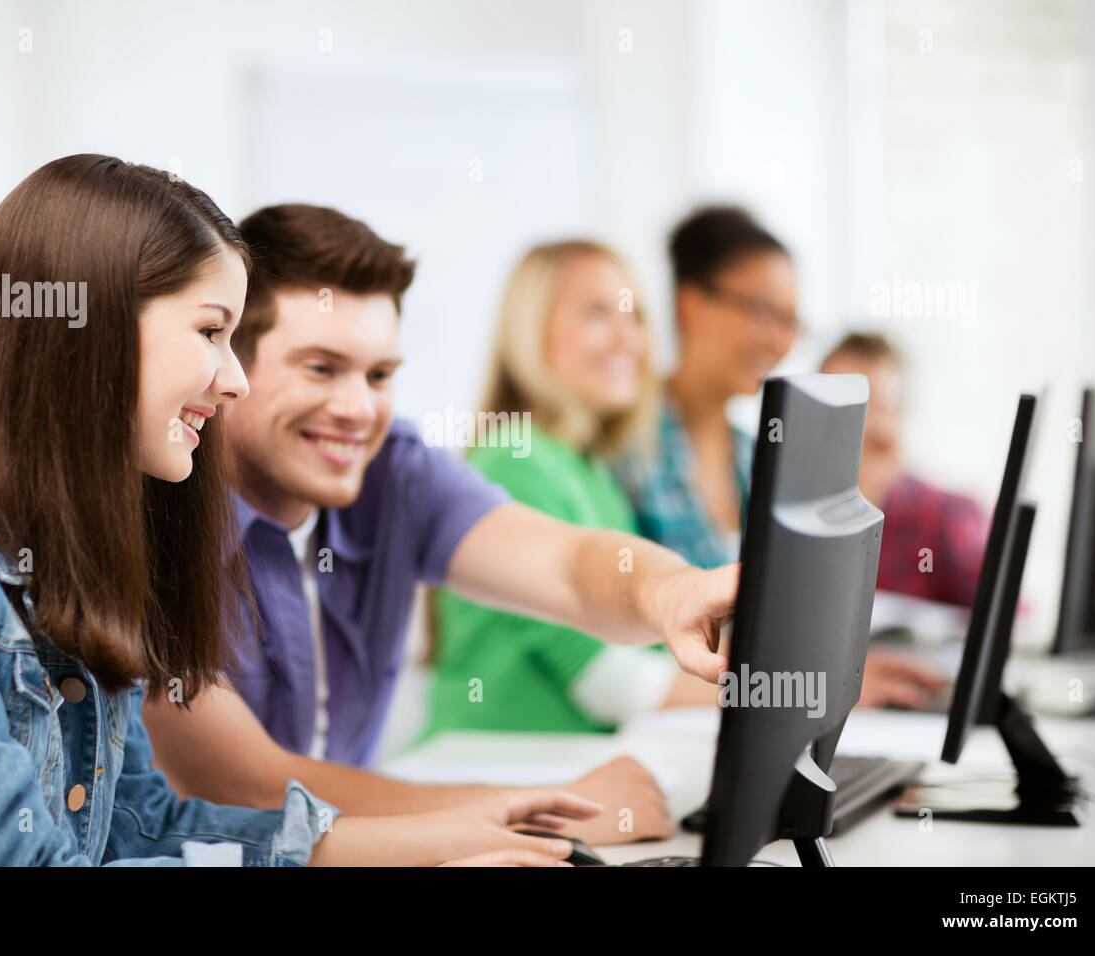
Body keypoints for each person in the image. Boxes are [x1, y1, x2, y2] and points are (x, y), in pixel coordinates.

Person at [0, 155, 600, 866]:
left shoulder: (82, 541)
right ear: (89, 333)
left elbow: (140, 822)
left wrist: (437, 843)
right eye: (210, 332)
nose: (234, 381)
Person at [142, 205, 742, 846]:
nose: (356, 409)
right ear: (232, 367)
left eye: (379, 376)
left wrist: (672, 591)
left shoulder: (395, 472)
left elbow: (568, 566)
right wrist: (537, 809)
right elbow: (247, 787)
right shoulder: (155, 522)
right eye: (320, 368)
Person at [614, 206, 947, 710]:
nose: (779, 340)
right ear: (690, 305)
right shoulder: (624, 449)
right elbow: (624, 655)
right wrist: (807, 688)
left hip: (744, 721)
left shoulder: (755, 455)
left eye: (791, 322)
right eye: (762, 311)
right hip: (673, 724)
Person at [424, 241, 734, 738]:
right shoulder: (515, 458)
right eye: (597, 315)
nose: (627, 340)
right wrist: (778, 691)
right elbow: (608, 682)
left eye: (636, 318)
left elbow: (650, 651)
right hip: (486, 770)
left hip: (558, 771)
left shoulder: (590, 469)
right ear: (530, 332)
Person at [820, 332, 987, 607]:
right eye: (840, 406)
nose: (860, 426)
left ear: (900, 416)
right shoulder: (792, 515)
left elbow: (1008, 621)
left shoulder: (949, 515)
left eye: (879, 408)